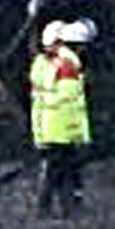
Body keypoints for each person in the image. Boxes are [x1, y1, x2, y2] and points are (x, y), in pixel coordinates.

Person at [29, 20, 91, 217]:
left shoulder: (46, 64)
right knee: (59, 169)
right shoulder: (68, 66)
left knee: (57, 168)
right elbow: (70, 100)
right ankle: (53, 208)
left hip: (51, 126)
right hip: (62, 128)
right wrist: (80, 133)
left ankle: (62, 208)